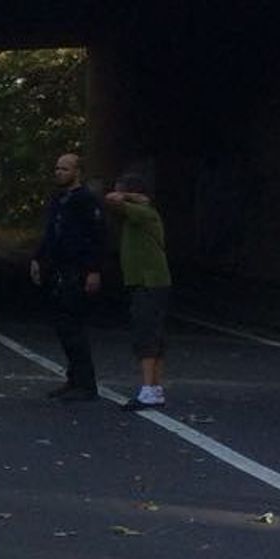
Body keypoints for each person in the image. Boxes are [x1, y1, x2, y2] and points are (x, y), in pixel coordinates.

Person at [29, 153, 103, 401]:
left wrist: (93, 270)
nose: (58, 172)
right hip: (57, 268)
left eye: (64, 168)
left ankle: (86, 384)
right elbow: (50, 232)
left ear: (77, 172)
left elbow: (96, 237)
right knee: (62, 325)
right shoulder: (58, 199)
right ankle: (73, 378)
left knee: (74, 326)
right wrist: (38, 258)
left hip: (78, 269)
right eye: (57, 168)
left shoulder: (86, 201)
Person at [104, 174, 171, 409]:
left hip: (148, 282)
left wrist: (126, 195)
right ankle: (154, 387)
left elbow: (112, 199)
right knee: (155, 335)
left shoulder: (143, 213)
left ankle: (149, 389)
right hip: (150, 281)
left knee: (146, 335)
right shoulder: (140, 216)